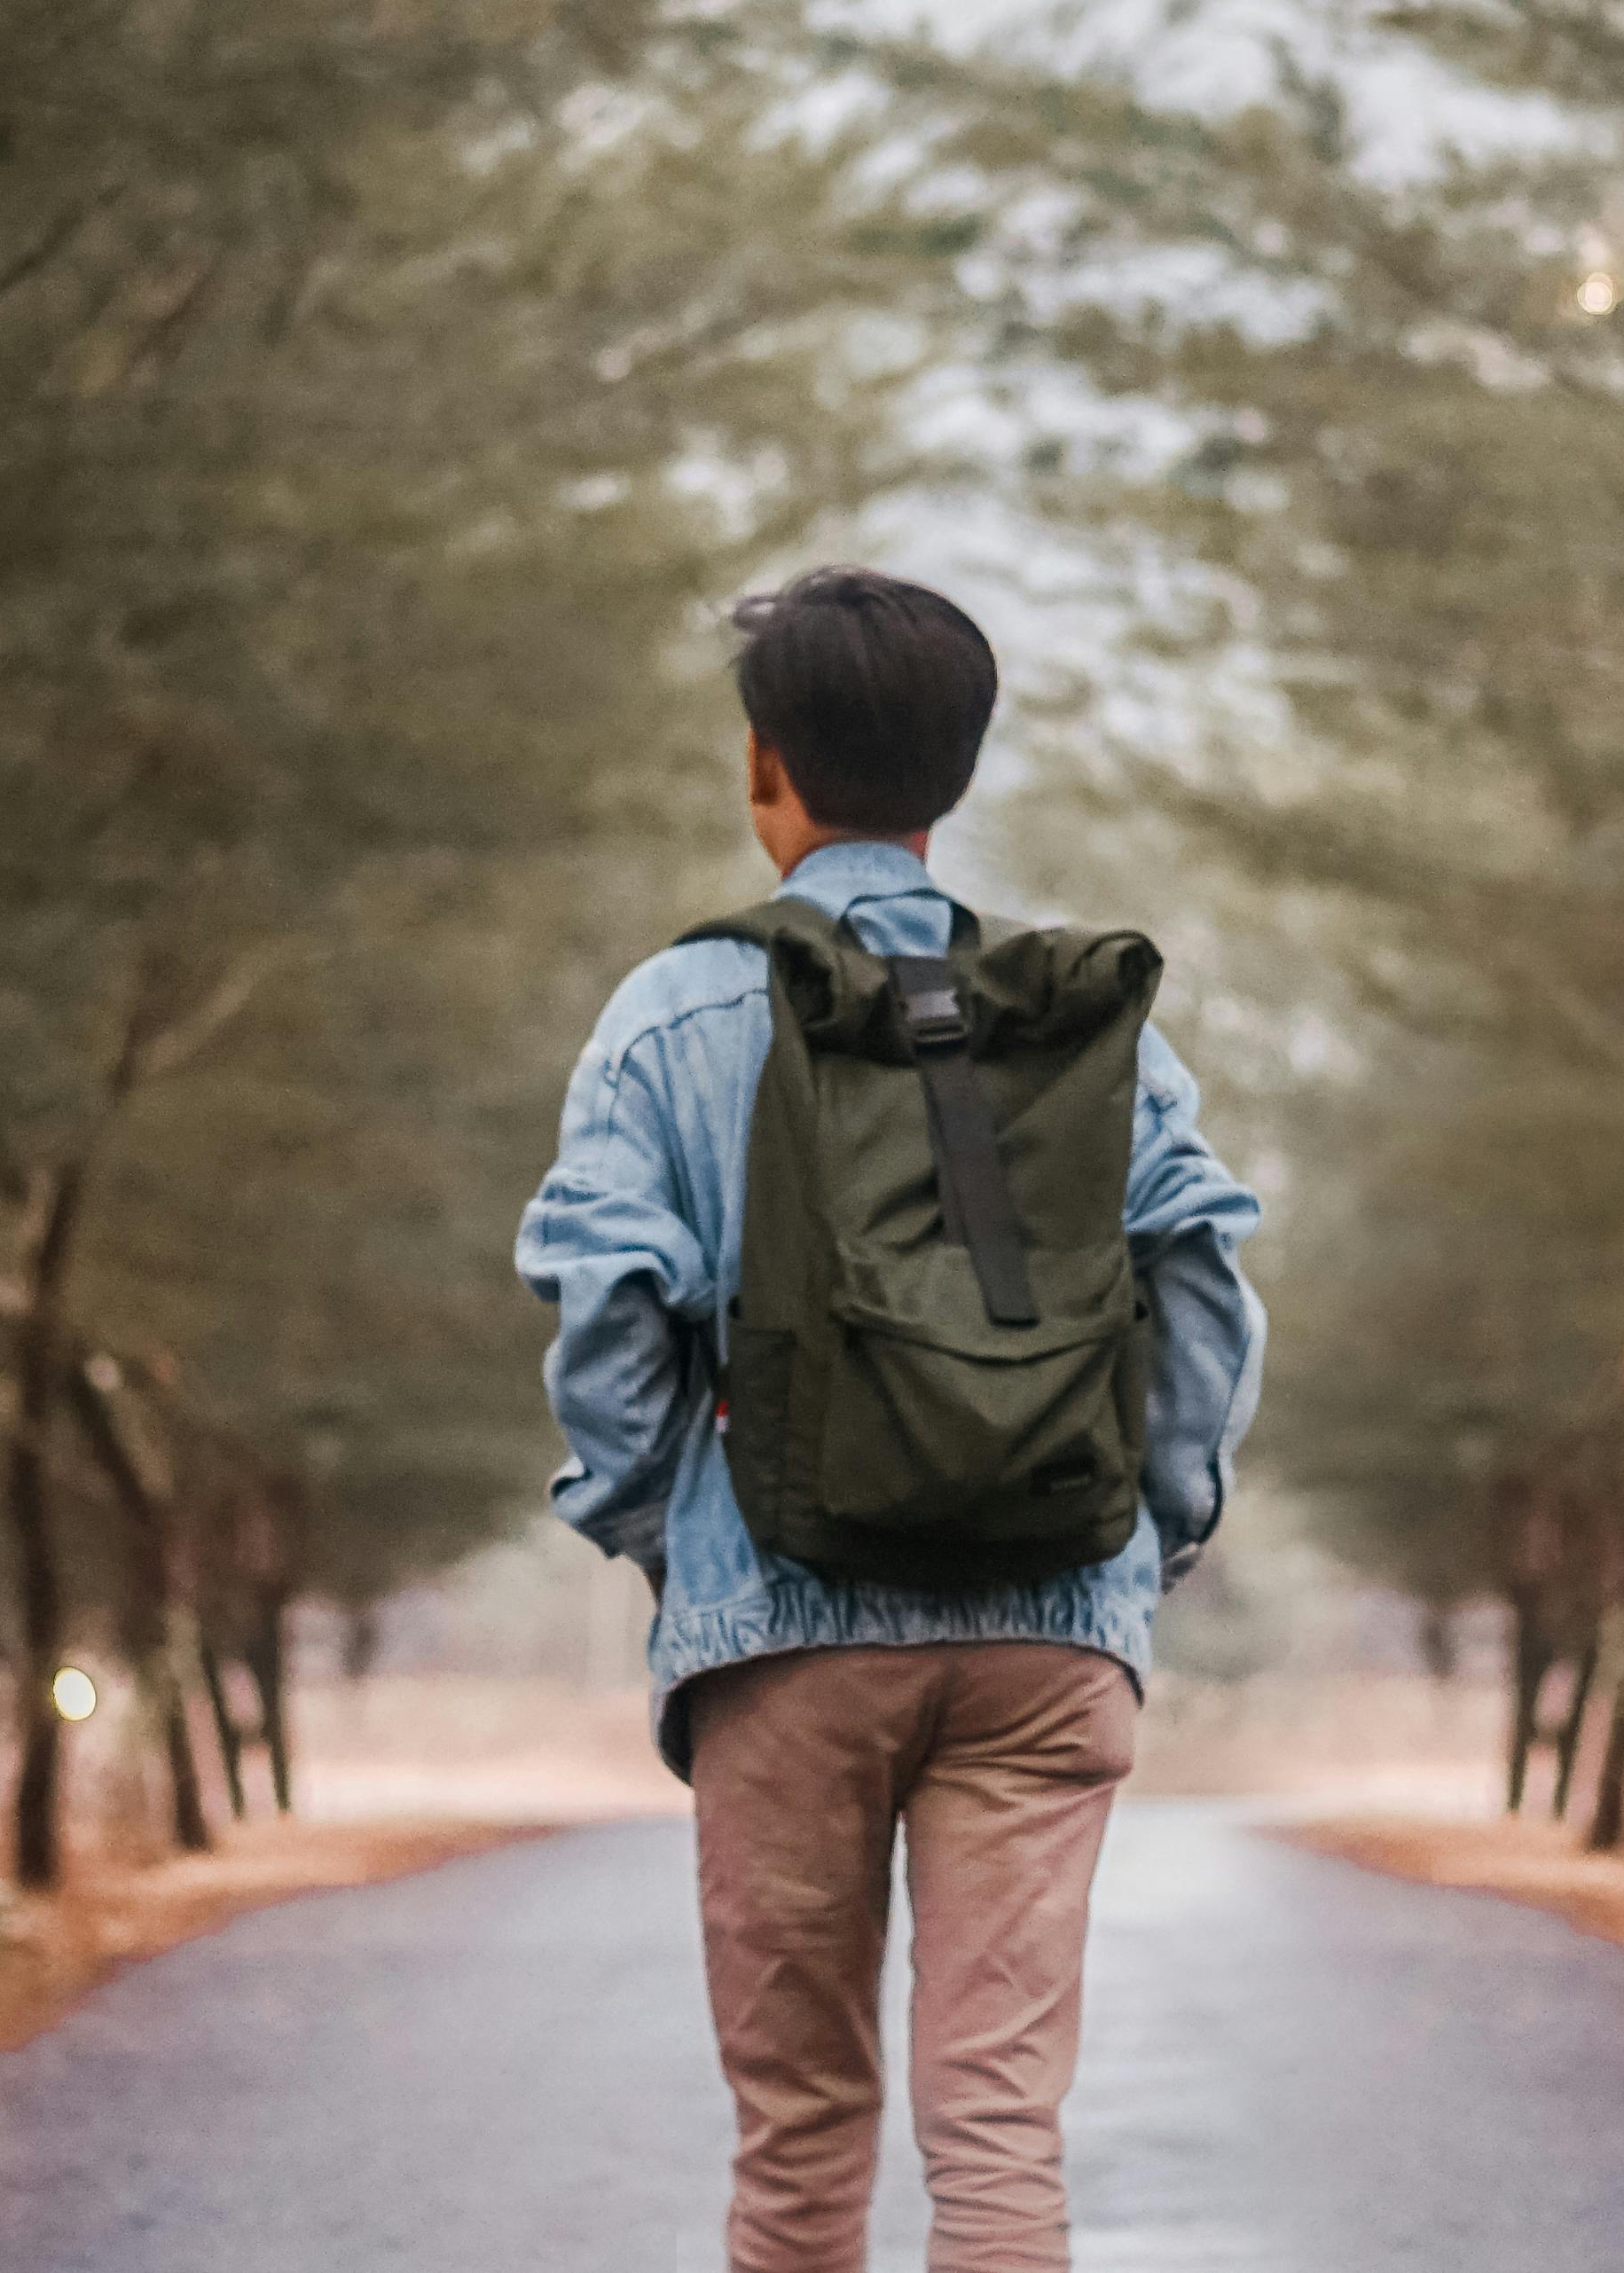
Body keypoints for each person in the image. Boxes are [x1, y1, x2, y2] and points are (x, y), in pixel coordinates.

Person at [516, 566, 1268, 2273]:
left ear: (761, 763)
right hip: (1049, 1626)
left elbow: (609, 1306)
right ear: (961, 767)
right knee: (999, 2134)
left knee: (798, 2147)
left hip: (782, 1629)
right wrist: (1148, 1530)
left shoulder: (675, 1011)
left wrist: (660, 1529)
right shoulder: (1080, 1019)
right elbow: (1204, 1276)